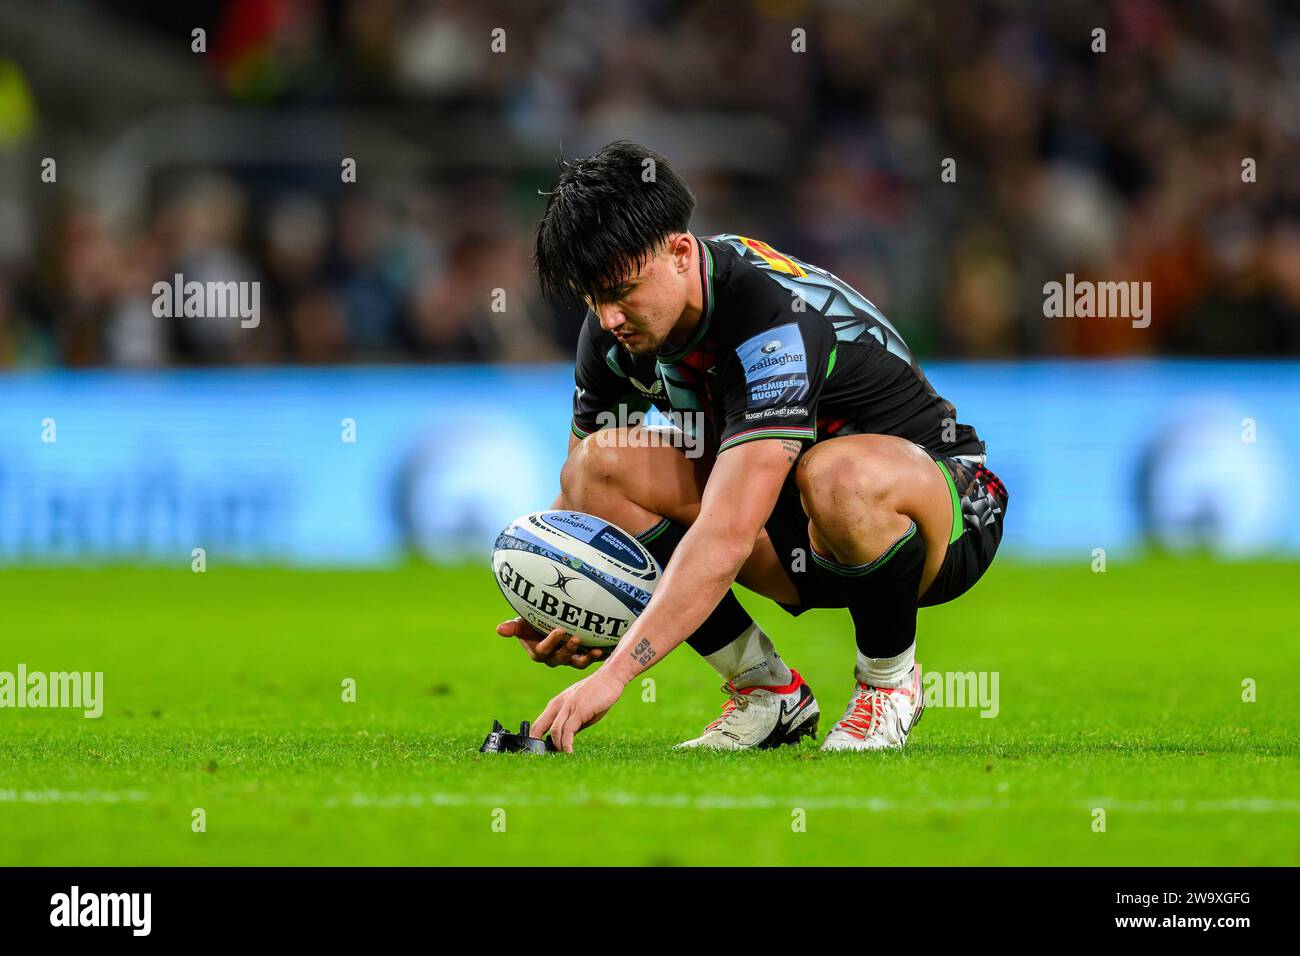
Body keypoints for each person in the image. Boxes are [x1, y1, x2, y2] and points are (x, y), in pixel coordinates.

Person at [500, 141, 1008, 753]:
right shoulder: (616, 332)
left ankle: (888, 684)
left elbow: (727, 533)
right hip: (797, 527)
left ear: (680, 251)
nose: (608, 318)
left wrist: (616, 676)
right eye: (593, 300)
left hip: (940, 513)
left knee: (835, 473)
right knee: (598, 467)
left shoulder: (771, 320)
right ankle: (767, 694)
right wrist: (563, 596)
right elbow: (579, 504)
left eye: (623, 291)